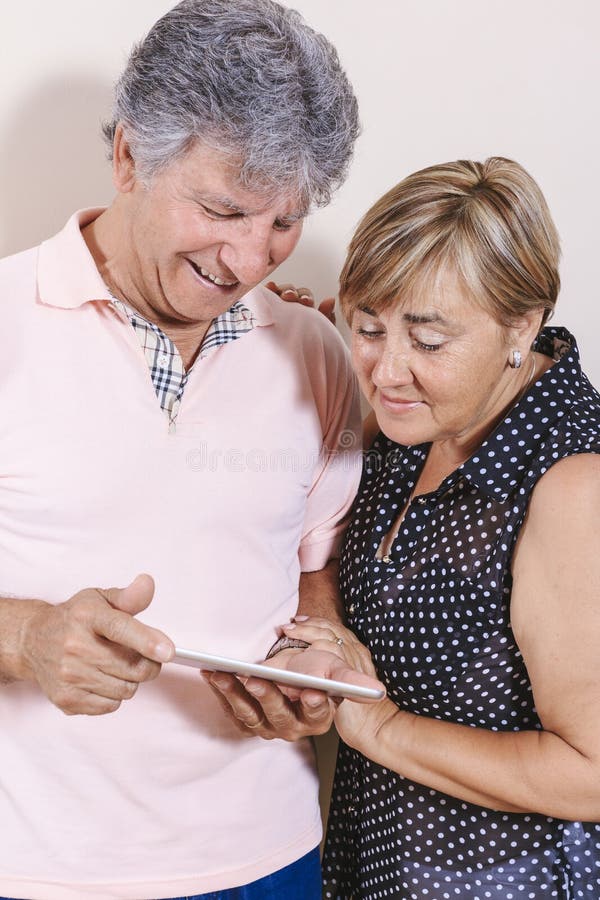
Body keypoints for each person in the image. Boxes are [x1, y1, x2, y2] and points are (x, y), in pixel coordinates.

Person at [0, 2, 383, 898]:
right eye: (223, 209)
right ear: (130, 158)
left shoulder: (316, 351)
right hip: (46, 872)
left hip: (273, 860)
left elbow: (313, 569)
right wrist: (27, 637)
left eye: (284, 222)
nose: (249, 258)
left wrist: (316, 655)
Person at [277, 157, 600, 899]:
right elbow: (313, 527)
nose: (387, 371)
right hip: (376, 865)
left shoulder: (573, 485)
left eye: (427, 342)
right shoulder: (411, 425)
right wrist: (272, 352)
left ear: (522, 325)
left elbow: (592, 772)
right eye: (368, 327)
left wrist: (380, 727)